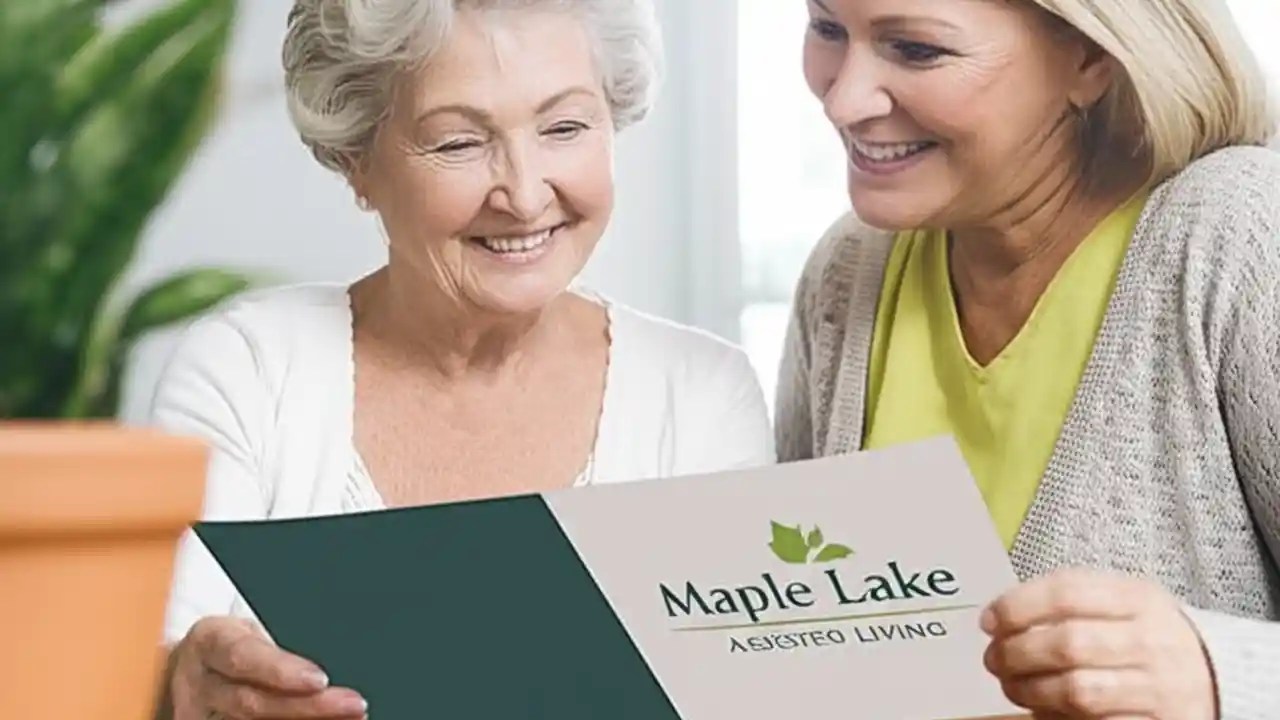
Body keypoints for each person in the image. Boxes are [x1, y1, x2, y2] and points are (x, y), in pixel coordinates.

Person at [148, 1, 774, 718]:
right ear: (358, 160)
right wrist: (177, 685)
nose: (525, 193)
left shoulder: (702, 395)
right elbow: (143, 664)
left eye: (565, 128)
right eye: (457, 144)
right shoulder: (249, 371)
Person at [776, 0, 1279, 718]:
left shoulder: (1239, 236)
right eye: (827, 28)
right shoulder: (849, 269)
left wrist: (1225, 674)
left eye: (917, 50)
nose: (844, 98)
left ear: (1089, 57)